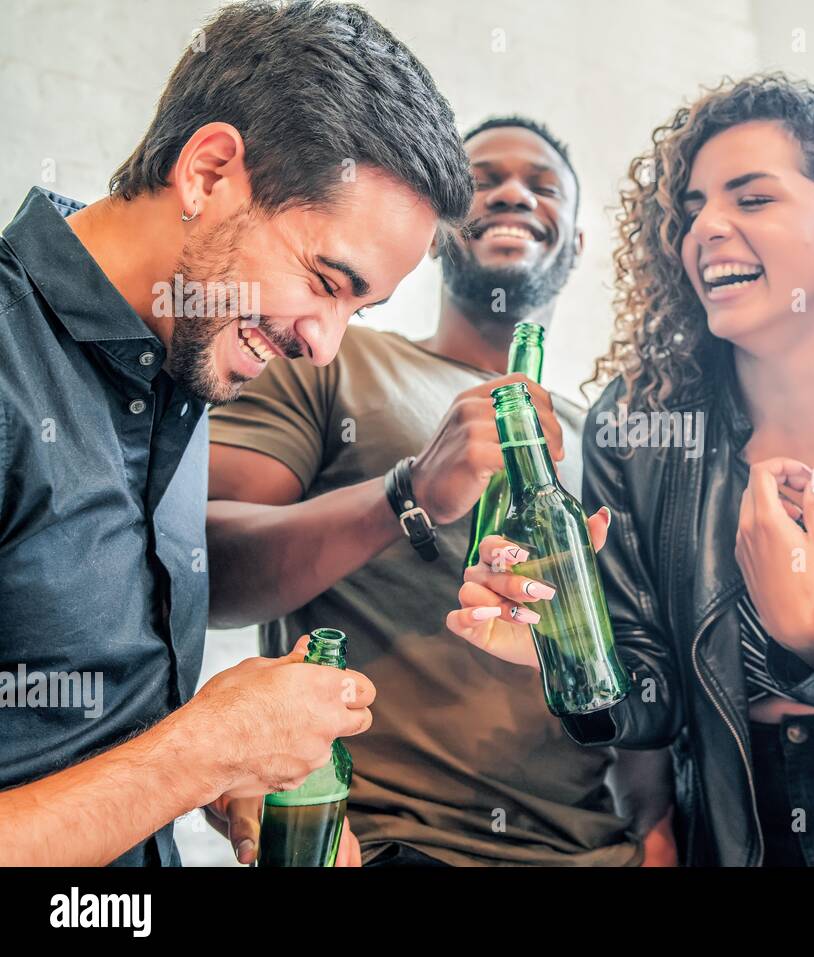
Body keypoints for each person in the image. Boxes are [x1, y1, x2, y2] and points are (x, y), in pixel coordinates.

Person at [448, 74, 814, 866]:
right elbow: (651, 700)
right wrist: (567, 653)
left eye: (752, 200)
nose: (707, 231)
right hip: (735, 832)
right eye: (693, 208)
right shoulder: (638, 427)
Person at [0, 0, 471, 865]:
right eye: (327, 280)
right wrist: (200, 752)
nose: (323, 343)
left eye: (359, 309)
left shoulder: (181, 360)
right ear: (210, 173)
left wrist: (230, 766)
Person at [207, 116, 674, 866]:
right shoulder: (326, 353)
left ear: (578, 244)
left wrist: (657, 836)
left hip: (597, 851)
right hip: (392, 844)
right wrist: (408, 491)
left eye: (544, 186)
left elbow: (638, 662)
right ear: (437, 230)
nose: (515, 194)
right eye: (483, 181)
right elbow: (204, 568)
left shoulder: (611, 437)